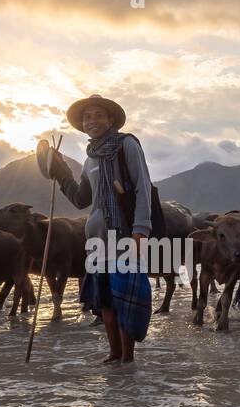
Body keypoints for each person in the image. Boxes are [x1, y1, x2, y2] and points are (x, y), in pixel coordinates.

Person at [39, 94, 156, 364]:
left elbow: (142, 188)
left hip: (124, 234)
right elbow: (81, 198)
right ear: (82, 124)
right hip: (96, 238)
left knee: (125, 297)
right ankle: (114, 353)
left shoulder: (126, 145)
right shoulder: (90, 157)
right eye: (87, 117)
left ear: (111, 119)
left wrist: (140, 230)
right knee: (105, 300)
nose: (92, 121)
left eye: (98, 115)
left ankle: (128, 357)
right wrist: (60, 173)